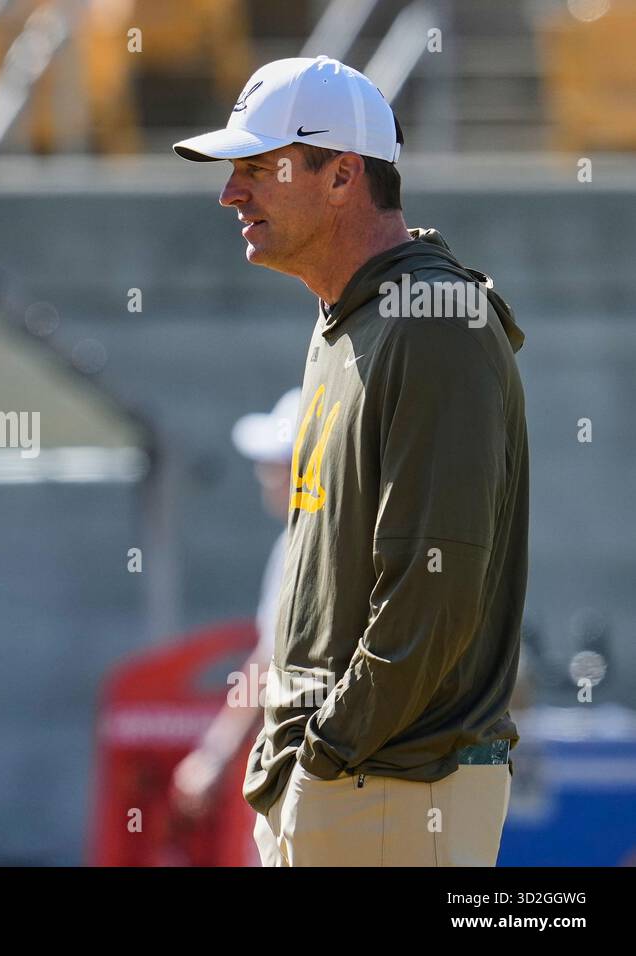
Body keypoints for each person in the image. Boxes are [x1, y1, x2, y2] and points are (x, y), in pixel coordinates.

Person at [173, 56, 529, 866]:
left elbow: (437, 584)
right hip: (351, 785)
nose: (232, 194)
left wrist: (329, 754)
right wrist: (302, 764)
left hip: (394, 788)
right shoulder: (350, 322)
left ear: (342, 175)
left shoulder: (436, 320)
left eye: (260, 168)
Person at [169, 389, 298, 840]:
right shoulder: (301, 542)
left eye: (276, 462)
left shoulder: (300, 547)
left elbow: (267, 662)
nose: (264, 475)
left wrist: (213, 754)